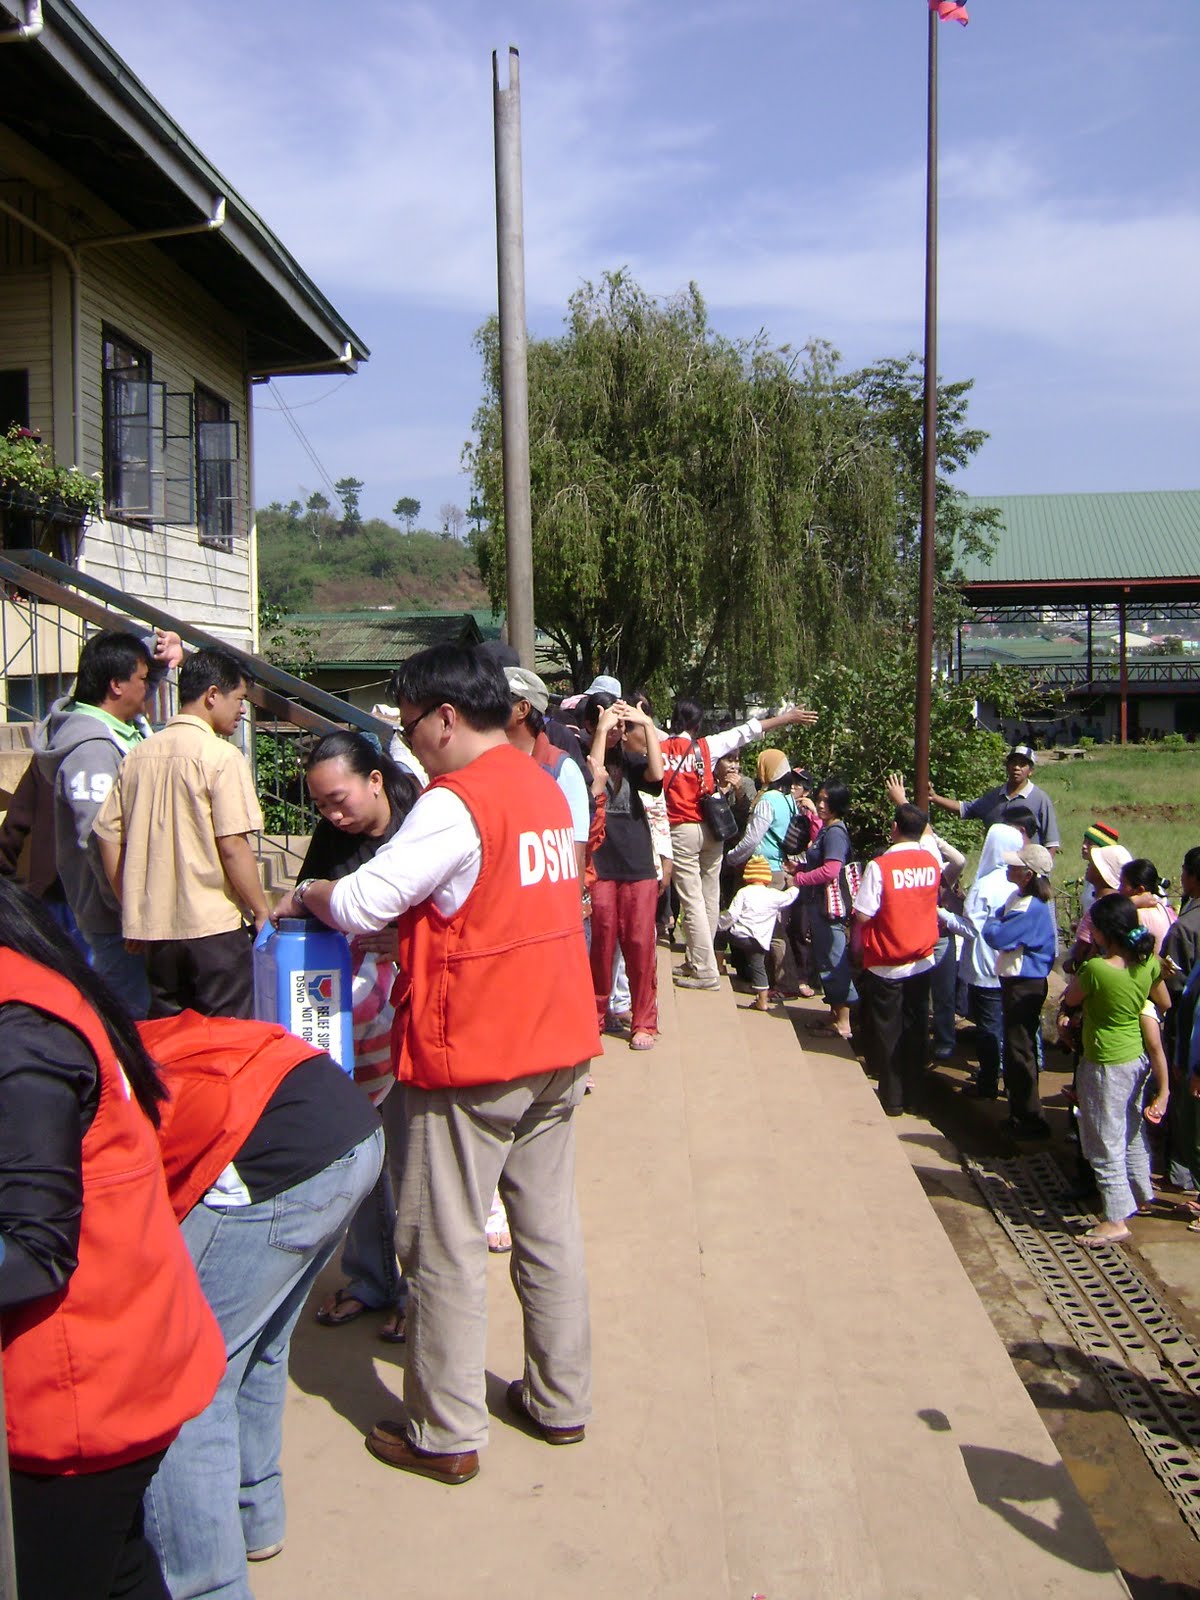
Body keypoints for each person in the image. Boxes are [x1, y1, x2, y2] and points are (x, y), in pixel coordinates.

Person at [271, 643, 600, 1484]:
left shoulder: (457, 801)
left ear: (445, 718)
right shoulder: (541, 785)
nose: (408, 744)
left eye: (410, 726)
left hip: (477, 1054)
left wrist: (308, 894)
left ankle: (445, 1430)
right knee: (549, 1230)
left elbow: (359, 900)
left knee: (442, 1242)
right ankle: (561, 1400)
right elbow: (493, 902)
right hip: (558, 1042)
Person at [0, 878, 225, 1600]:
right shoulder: (31, 983)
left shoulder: (20, 1030)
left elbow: (34, 1246)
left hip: (79, 1388)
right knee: (121, 1570)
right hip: (115, 1358)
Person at [139, 1010, 383, 1597]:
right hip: (350, 1130)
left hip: (280, 1161)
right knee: (260, 1342)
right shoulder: (114, 1041)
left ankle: (207, 1584)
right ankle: (256, 1515)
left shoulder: (63, 1087)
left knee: (183, 1384)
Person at [299, 730, 421, 1342]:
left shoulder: (422, 821)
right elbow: (309, 901)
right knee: (364, 1150)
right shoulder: (333, 837)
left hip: (416, 1014)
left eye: (339, 801)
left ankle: (419, 1298)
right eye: (321, 805)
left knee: (413, 1161)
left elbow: (462, 911)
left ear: (375, 781)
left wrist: (408, 941)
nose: (333, 815)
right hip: (356, 1020)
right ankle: (373, 1279)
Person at [94, 647, 270, 1019]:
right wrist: (261, 910)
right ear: (212, 695)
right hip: (214, 929)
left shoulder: (137, 756)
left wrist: (132, 907)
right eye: (239, 699)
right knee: (227, 1039)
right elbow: (233, 845)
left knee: (170, 1039)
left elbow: (108, 837)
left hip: (157, 934)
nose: (242, 710)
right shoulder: (221, 757)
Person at [32, 627, 182, 1015]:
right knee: (127, 1016)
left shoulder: (119, 727)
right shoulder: (92, 750)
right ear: (116, 685)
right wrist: (130, 911)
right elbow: (98, 839)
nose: (149, 689)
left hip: (130, 910)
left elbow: (131, 675)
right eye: (143, 680)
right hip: (115, 919)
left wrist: (158, 656)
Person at [663, 700, 817, 992]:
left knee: (691, 900)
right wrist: (787, 717)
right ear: (697, 725)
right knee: (710, 897)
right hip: (713, 830)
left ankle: (704, 969)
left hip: (682, 828)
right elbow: (749, 729)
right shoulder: (708, 746)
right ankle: (699, 960)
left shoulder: (660, 746)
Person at [1061, 893, 1171, 1247]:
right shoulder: (1148, 963)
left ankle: (1114, 1219)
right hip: (1136, 1058)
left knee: (1102, 1140)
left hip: (1104, 1062)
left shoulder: (1096, 970)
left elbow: (1071, 998)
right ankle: (1140, 1195)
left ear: (1103, 932)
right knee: (1132, 1128)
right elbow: (1164, 1001)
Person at [584, 694, 664, 1050]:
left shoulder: (631, 761)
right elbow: (592, 778)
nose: (619, 731)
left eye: (622, 726)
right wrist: (602, 732)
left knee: (640, 943)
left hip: (637, 863)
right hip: (600, 864)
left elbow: (657, 776)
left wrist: (645, 724)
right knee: (600, 944)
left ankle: (644, 1020)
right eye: (613, 725)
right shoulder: (582, 755)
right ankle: (594, 1016)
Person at [853, 804, 941, 1116]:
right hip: (922, 960)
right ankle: (915, 1096)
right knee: (916, 1031)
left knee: (888, 1032)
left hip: (886, 962)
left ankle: (892, 1100)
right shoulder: (931, 862)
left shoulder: (880, 866)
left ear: (894, 828)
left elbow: (863, 913)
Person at [982, 842, 1059, 1139]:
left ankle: (1031, 1118)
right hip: (1018, 981)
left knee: (1020, 1049)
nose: (1009, 867)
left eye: (1015, 865)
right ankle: (1020, 1113)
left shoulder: (1029, 907)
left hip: (1025, 984)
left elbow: (997, 935)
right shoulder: (1020, 899)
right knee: (1016, 1047)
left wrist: (994, 923)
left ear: (1028, 875)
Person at [959, 822, 1023, 1100]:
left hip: (985, 969)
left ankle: (987, 1083)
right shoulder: (1018, 883)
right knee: (1011, 1028)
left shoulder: (984, 884)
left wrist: (943, 915)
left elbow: (970, 928)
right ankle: (1012, 1082)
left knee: (988, 1030)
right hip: (1013, 968)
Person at [789, 778, 856, 1039]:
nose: (821, 804)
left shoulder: (836, 832)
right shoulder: (827, 829)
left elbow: (831, 870)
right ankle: (834, 1013)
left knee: (833, 959)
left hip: (828, 908)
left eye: (827, 801)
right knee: (825, 958)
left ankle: (844, 1021)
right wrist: (801, 867)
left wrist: (801, 878)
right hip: (818, 905)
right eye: (820, 799)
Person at [929, 745, 1060, 852]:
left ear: (1030, 771)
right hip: (997, 867)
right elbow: (965, 808)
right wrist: (934, 798)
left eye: (1022, 764)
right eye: (1013, 763)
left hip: (1026, 869)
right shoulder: (994, 796)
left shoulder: (1040, 799)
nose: (1016, 768)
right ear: (1007, 766)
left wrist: (1041, 871)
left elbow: (1051, 842)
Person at [717, 855, 799, 1012]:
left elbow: (732, 915)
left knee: (720, 933)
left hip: (741, 937)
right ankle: (762, 1001)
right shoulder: (773, 895)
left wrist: (719, 924)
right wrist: (794, 886)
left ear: (747, 876)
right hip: (759, 940)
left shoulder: (743, 892)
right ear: (767, 878)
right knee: (758, 967)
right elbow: (789, 897)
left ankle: (719, 964)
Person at [1118, 857, 1176, 954]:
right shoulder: (1164, 909)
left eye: (1123, 884)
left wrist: (1131, 902)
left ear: (1140, 890)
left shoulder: (1136, 915)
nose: (1119, 889)